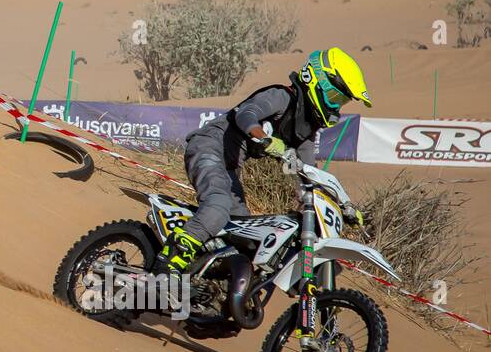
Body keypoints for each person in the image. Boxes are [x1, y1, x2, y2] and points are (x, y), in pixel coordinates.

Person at [155, 48, 371, 274]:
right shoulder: (281, 97)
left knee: (241, 231)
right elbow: (246, 114)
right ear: (316, 81)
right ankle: (170, 260)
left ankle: (206, 277)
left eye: (342, 102)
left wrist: (343, 204)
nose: (336, 107)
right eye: (336, 98)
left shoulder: (304, 131)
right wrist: (265, 138)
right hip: (208, 146)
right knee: (218, 206)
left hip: (229, 167)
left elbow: (310, 175)